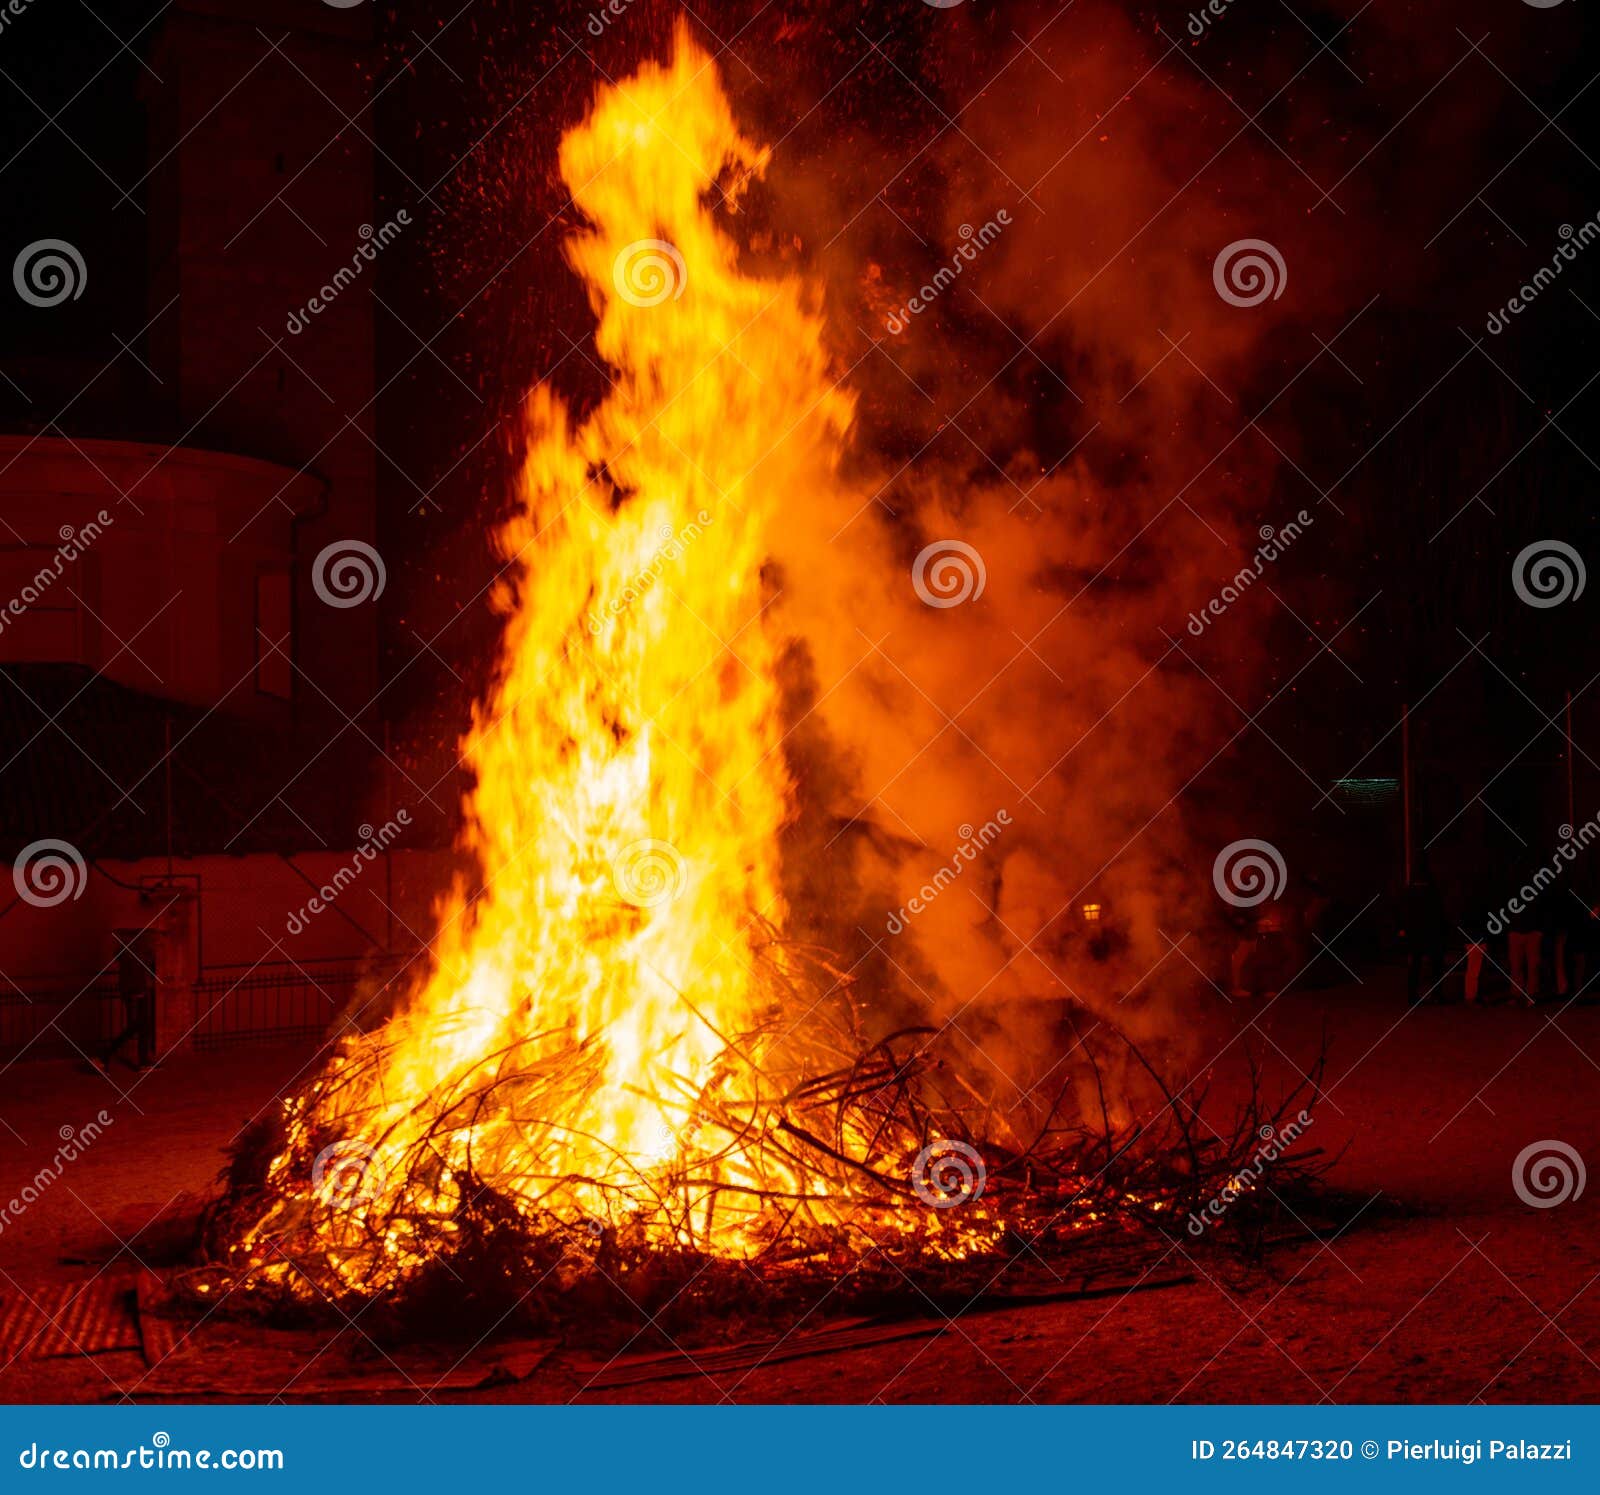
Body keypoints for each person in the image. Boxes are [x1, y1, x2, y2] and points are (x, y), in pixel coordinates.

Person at [100, 927, 156, 1072]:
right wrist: (137, 990)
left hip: (139, 989)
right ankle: (105, 1055)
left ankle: (143, 1061)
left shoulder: (135, 951)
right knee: (137, 1025)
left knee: (143, 1024)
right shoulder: (133, 952)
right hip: (136, 990)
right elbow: (134, 971)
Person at [1399, 867, 1449, 1005]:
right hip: (1431, 932)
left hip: (1415, 934)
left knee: (1415, 966)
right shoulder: (1432, 890)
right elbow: (1439, 911)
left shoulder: (1410, 891)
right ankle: (1437, 994)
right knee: (1435, 965)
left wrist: (1404, 928)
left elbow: (1404, 911)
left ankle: (1412, 996)